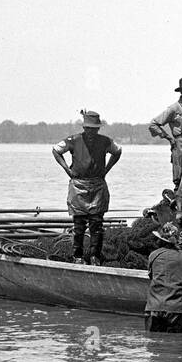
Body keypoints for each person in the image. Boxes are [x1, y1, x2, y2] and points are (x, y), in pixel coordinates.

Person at [52, 110, 122, 264]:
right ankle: (77, 256)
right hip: (78, 186)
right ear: (84, 128)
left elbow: (118, 151)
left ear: (98, 128)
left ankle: (95, 256)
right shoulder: (74, 140)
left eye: (94, 128)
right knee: (79, 225)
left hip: (97, 185)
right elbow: (56, 150)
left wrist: (106, 170)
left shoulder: (105, 141)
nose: (91, 131)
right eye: (88, 128)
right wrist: (67, 169)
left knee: (97, 224)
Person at [144, 223, 182, 333]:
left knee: (152, 342)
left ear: (161, 240)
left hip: (153, 307)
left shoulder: (153, 255)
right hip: (175, 308)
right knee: (174, 344)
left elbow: (151, 276)